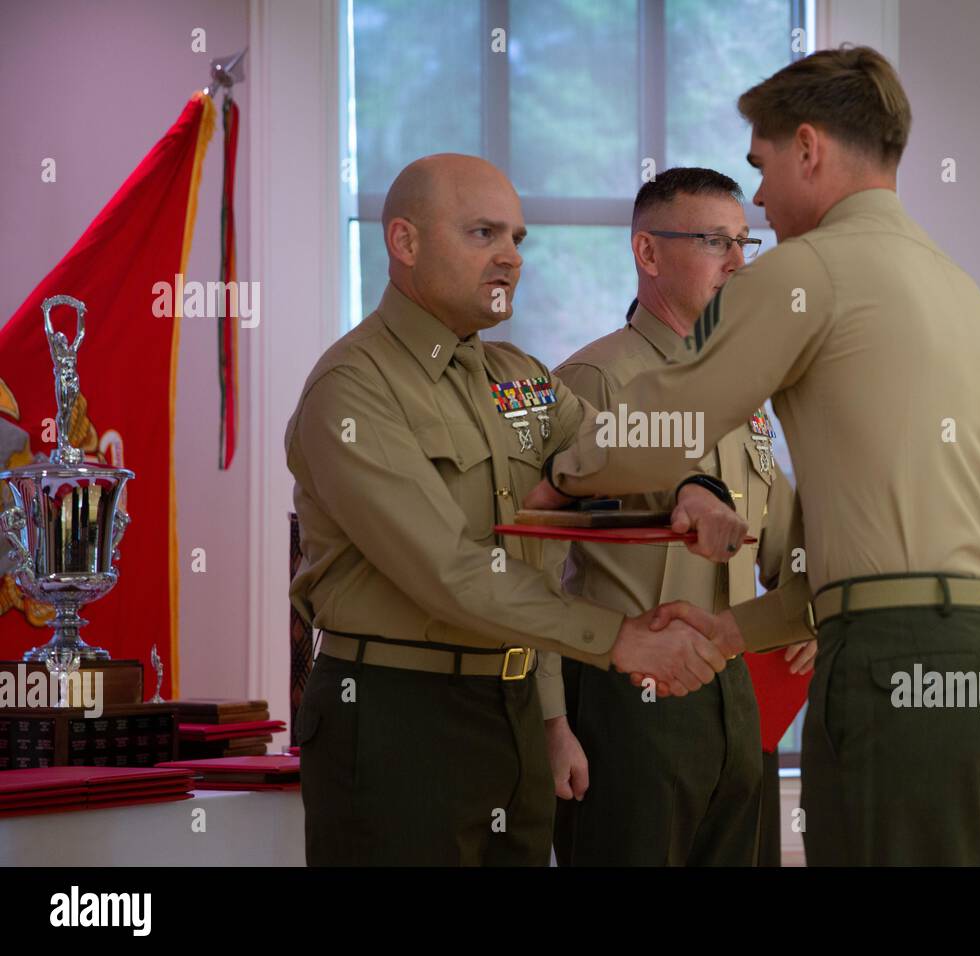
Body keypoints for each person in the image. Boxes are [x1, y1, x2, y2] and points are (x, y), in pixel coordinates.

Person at [526, 47, 980, 866]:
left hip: (902, 668)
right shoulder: (957, 286)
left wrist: (559, 477)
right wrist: (733, 630)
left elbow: (671, 418)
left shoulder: (807, 270)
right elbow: (848, 539)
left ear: (808, 148)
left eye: (762, 166)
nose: (762, 203)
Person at [284, 153, 735, 866]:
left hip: (513, 706)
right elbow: (448, 570)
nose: (510, 258)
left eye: (517, 238)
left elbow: (612, 443)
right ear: (404, 242)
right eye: (483, 233)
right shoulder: (353, 388)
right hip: (399, 709)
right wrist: (617, 638)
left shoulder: (516, 375)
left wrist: (693, 488)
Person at [542, 167, 816, 866]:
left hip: (734, 688)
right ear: (648, 253)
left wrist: (813, 608)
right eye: (714, 242)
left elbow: (786, 540)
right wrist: (550, 720)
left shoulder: (739, 387)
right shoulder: (595, 380)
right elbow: (535, 564)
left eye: (744, 242)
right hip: (627, 692)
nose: (737, 263)